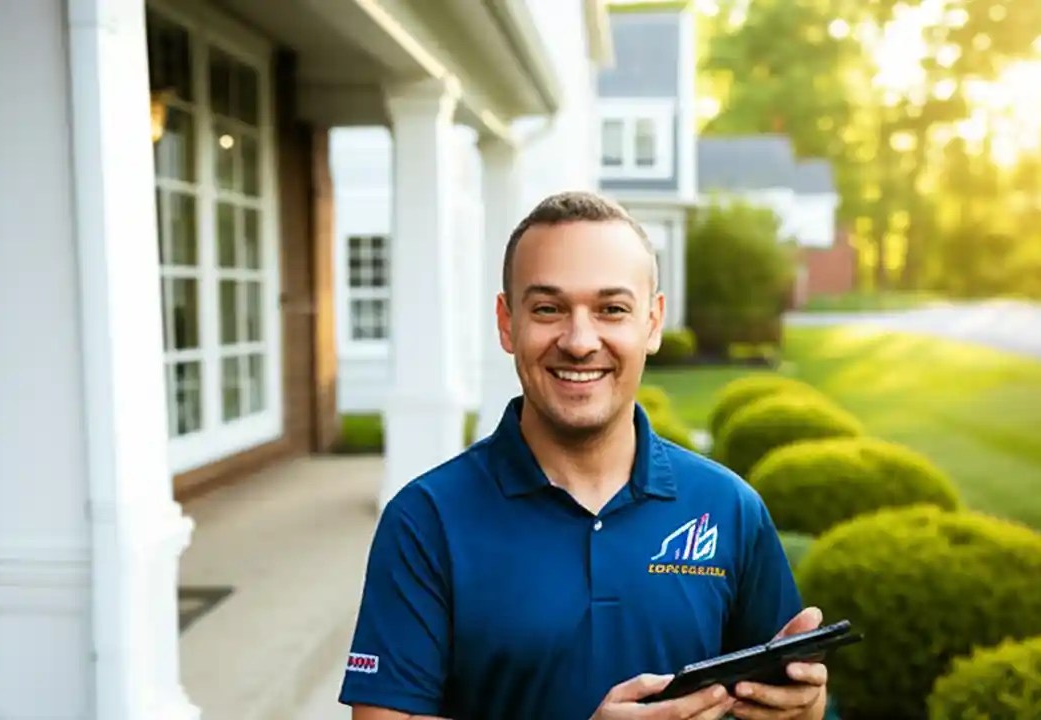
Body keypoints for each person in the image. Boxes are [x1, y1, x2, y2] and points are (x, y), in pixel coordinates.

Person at [338, 191, 829, 720]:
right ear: (507, 323)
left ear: (653, 322)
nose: (578, 340)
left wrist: (804, 706)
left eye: (611, 309)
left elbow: (779, 697)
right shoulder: (427, 519)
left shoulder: (728, 507)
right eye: (548, 308)